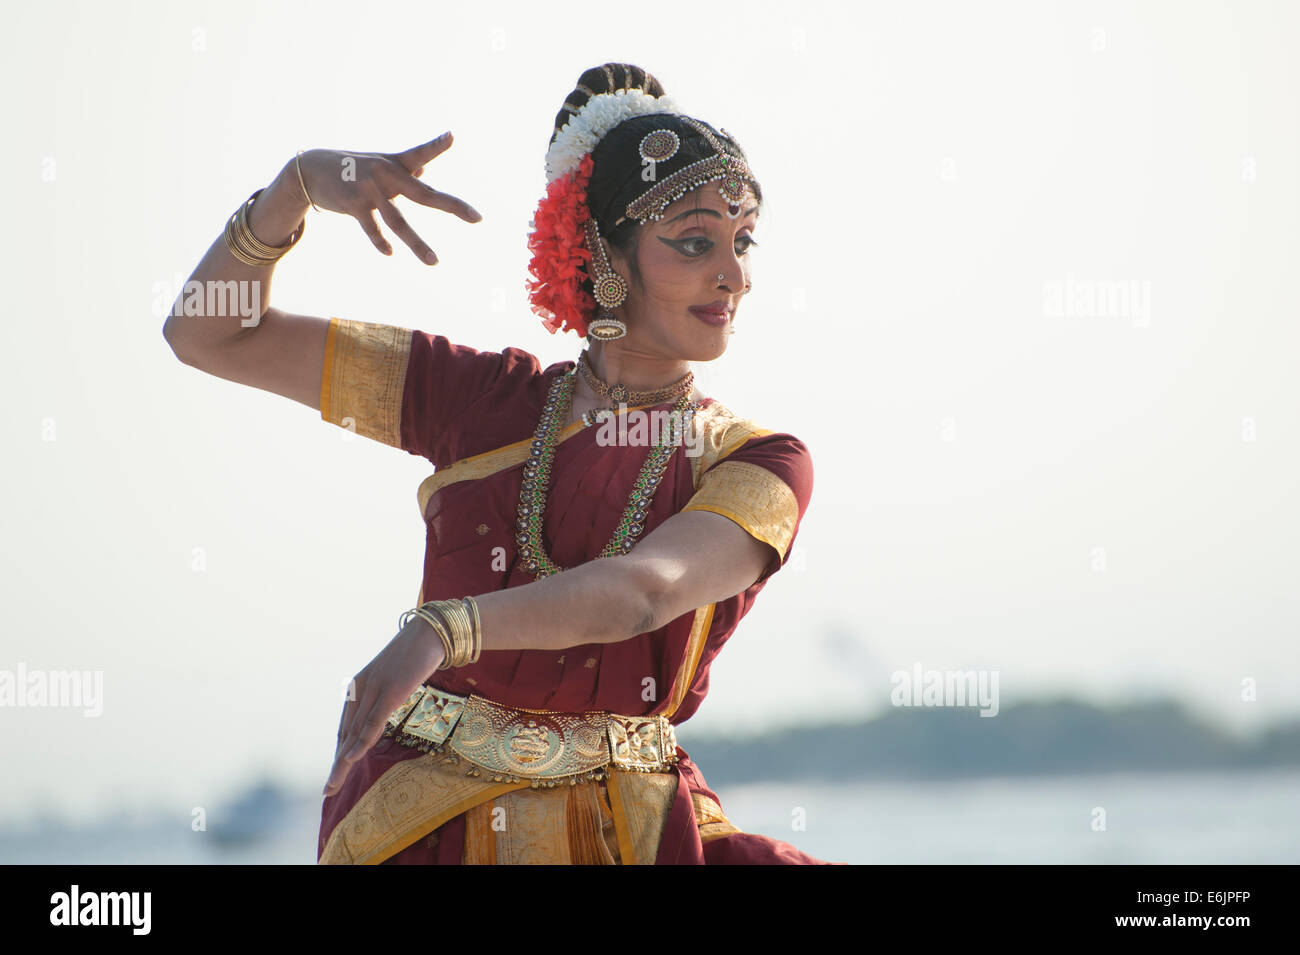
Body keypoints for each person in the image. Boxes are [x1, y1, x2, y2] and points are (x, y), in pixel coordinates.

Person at [163, 62, 833, 865]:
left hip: (639, 833)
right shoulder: (477, 400)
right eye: (695, 242)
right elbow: (207, 334)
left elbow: (643, 594)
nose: (735, 276)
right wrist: (296, 186)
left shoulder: (759, 461)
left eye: (742, 242)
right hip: (430, 827)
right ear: (603, 255)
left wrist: (445, 630)